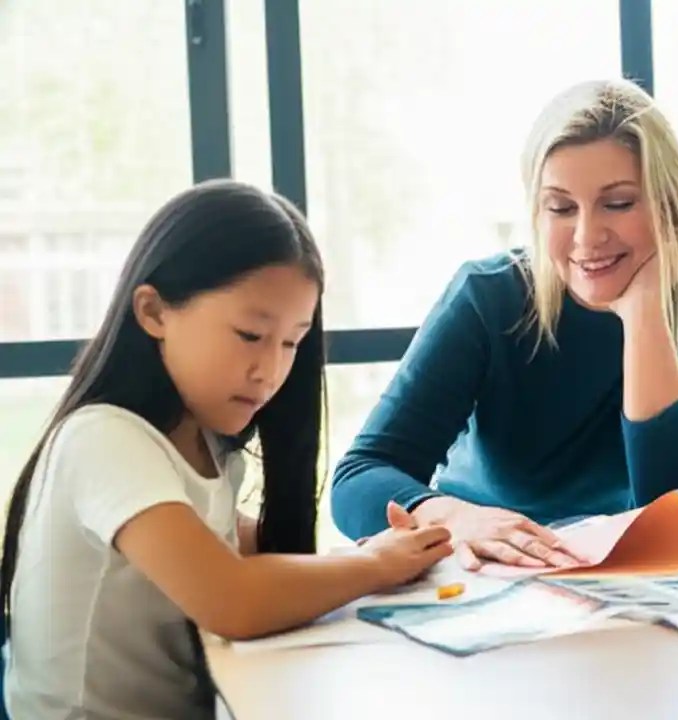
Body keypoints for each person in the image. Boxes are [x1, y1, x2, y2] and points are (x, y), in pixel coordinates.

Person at [2, 181, 452, 719]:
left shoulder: (206, 445)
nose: (272, 370)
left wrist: (382, 553)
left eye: (292, 342)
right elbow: (231, 598)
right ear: (153, 312)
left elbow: (227, 545)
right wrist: (372, 565)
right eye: (249, 334)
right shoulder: (104, 438)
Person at [331, 79, 678, 571]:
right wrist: (455, 518)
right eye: (560, 208)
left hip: (625, 580)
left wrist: (644, 314)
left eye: (618, 203)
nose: (587, 236)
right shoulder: (489, 295)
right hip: (485, 572)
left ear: (671, 207)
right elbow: (357, 479)